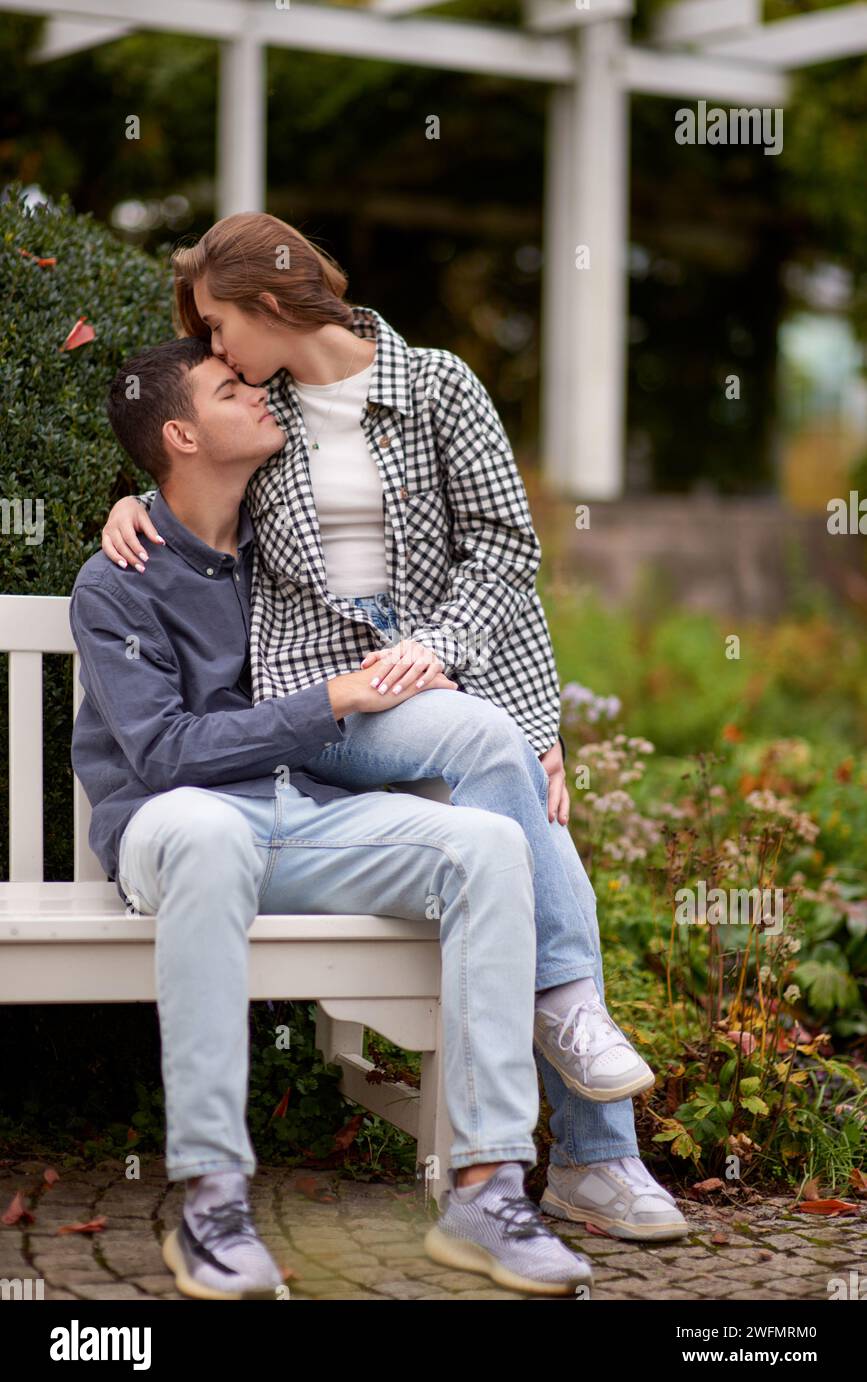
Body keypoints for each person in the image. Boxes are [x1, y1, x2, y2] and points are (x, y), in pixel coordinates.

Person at [100, 213, 687, 1243]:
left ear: (274, 305)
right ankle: (589, 1106)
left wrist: (517, 708)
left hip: (446, 689)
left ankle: (591, 1155)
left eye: (221, 326)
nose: (215, 353)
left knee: (509, 790)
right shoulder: (257, 411)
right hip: (325, 709)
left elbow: (505, 553)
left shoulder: (441, 388)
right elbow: (192, 468)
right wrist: (126, 499)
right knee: (481, 744)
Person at [71, 335, 596, 1300]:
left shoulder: (281, 549)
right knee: (207, 826)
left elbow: (481, 575)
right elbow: (165, 756)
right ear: (182, 434)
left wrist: (532, 727)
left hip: (298, 819)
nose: (260, 394)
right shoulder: (118, 578)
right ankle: (213, 1200)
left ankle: (485, 1185)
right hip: (173, 830)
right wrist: (331, 702)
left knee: (486, 844)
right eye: (234, 390)